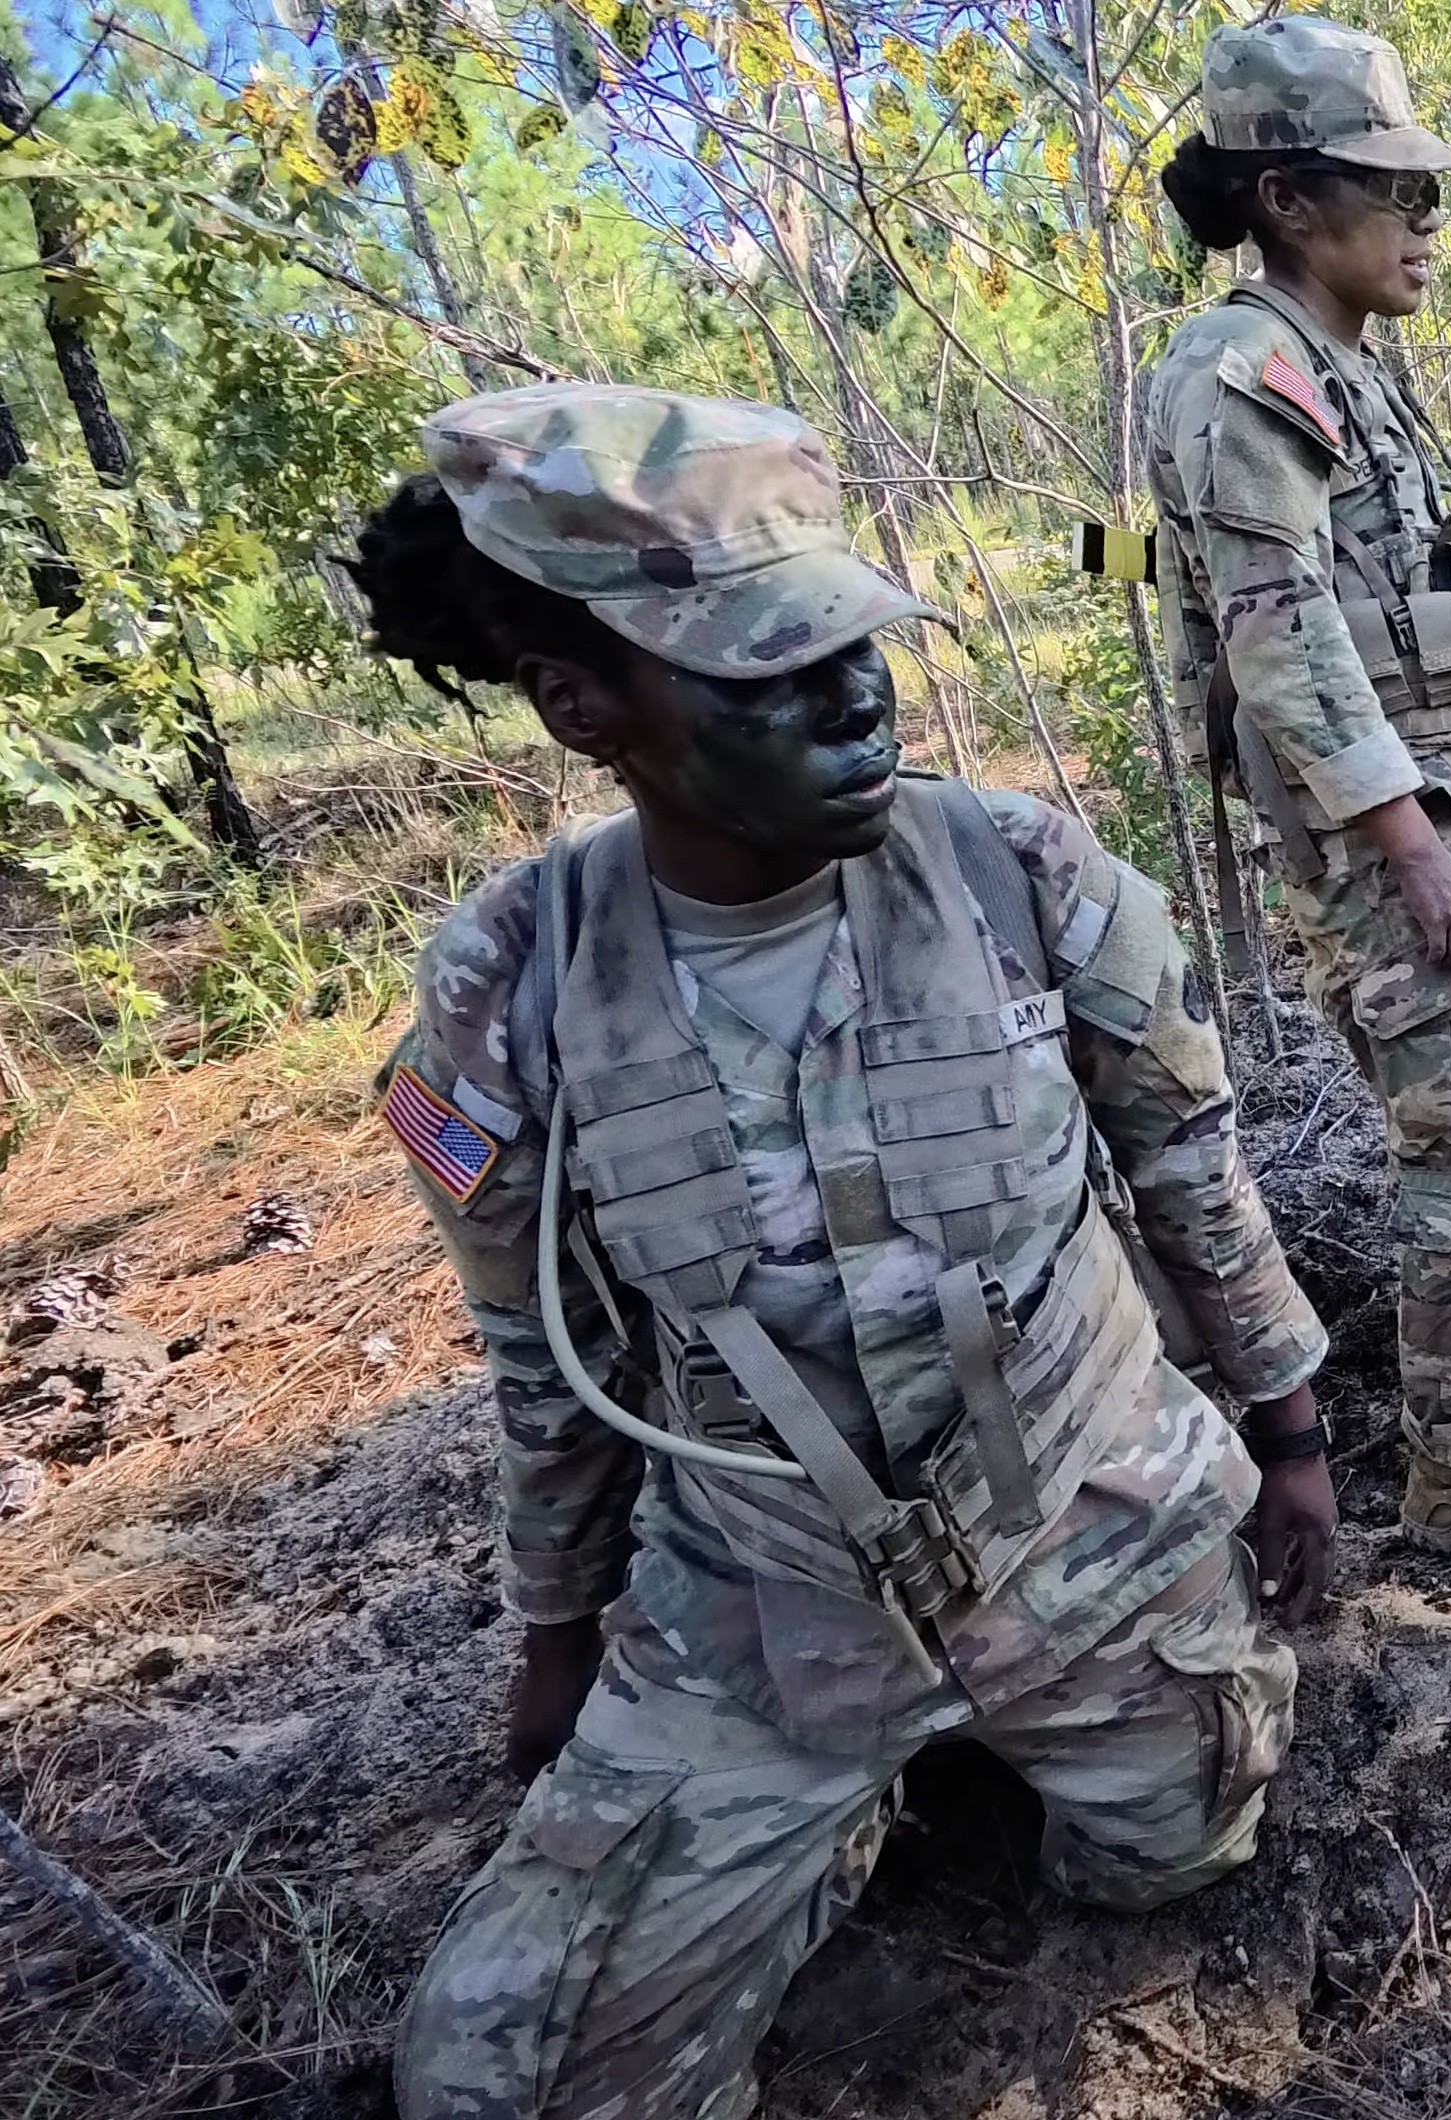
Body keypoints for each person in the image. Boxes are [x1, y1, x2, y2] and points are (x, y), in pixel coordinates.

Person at [357, 385, 1329, 2118]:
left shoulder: (1020, 871)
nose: (854, 696)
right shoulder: (517, 979)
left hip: (1089, 1530)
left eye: (852, 643)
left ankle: (986, 1751)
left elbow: (1192, 1173)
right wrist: (560, 1638)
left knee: (1184, 1855)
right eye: (762, 673)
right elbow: (542, 1359)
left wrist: (1291, 1437)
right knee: (502, 2084)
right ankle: (856, 1776)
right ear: (586, 711)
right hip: (760, 1600)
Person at [1141, 15, 1451, 1574]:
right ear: (1287, 201)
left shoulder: (1344, 367)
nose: (1425, 225)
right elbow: (1281, 632)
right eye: (1393, 192)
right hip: (1399, 837)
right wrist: (1411, 847)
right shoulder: (1245, 371)